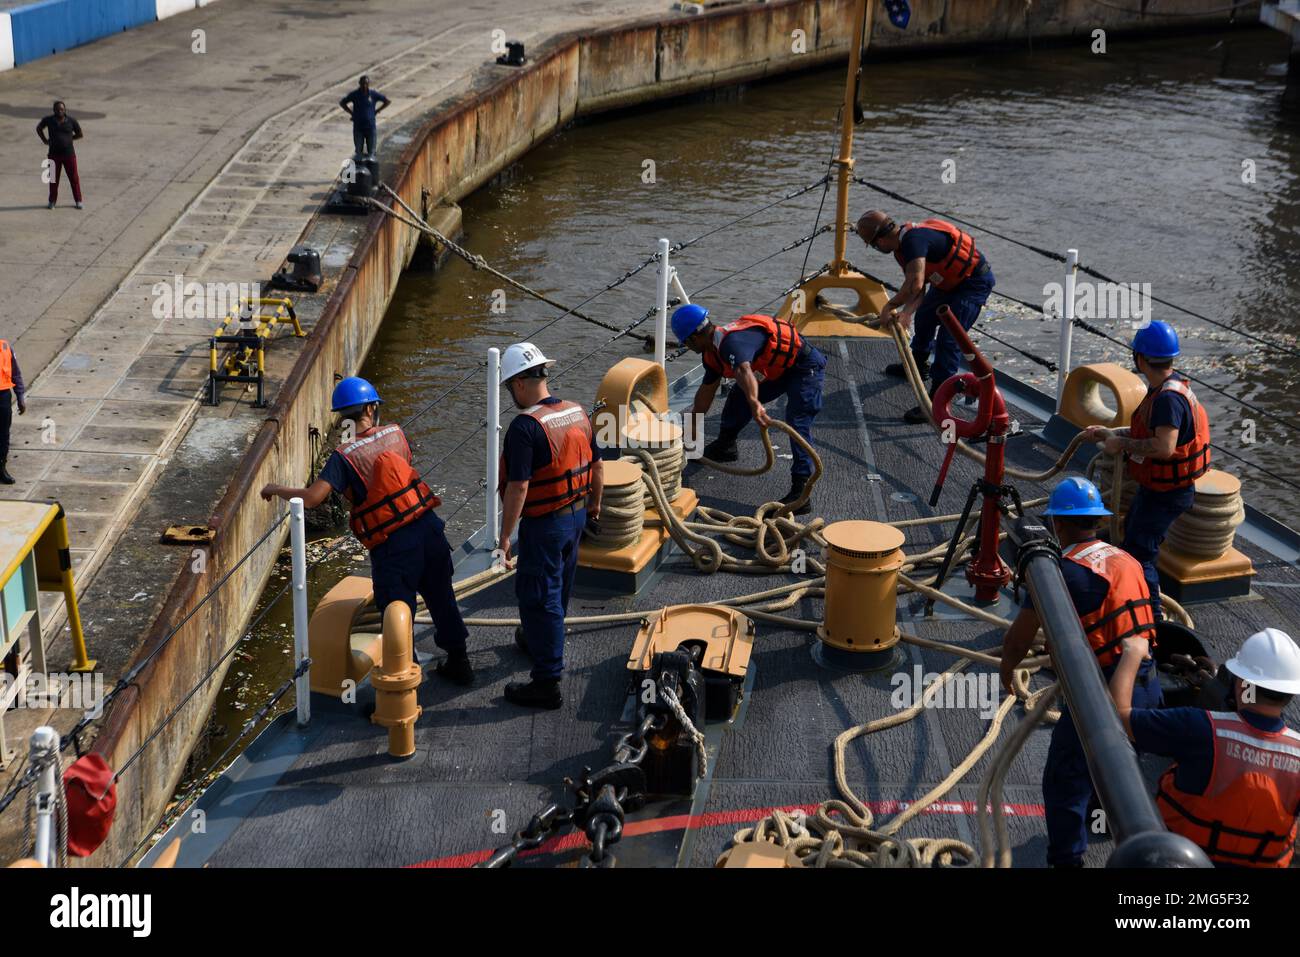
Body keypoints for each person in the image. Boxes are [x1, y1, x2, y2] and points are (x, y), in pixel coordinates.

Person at [260, 376, 471, 685]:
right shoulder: (396, 434)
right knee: (442, 599)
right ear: (372, 408)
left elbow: (313, 499)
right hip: (429, 531)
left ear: (340, 417)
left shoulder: (343, 457)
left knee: (397, 614)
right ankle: (459, 662)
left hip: (392, 546)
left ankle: (403, 685)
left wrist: (276, 488)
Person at [1000, 477, 1161, 867]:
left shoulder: (1063, 575)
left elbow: (1020, 639)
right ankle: (1103, 821)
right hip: (1147, 683)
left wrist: (1007, 673)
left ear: (1057, 524)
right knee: (1122, 772)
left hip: (1099, 695)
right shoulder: (1128, 560)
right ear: (1096, 522)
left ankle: (1066, 860)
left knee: (1065, 779)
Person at [1111, 627, 1300, 868]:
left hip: (1179, 862)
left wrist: (1132, 654)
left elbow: (1118, 718)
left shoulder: (1200, 728)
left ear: (1242, 684)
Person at [497, 342, 603, 709]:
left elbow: (519, 486)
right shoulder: (577, 411)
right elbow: (598, 468)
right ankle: (537, 641)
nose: (512, 394)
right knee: (559, 588)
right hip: (574, 516)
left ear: (521, 384)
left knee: (539, 596)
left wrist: (505, 535)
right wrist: (594, 509)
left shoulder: (525, 427)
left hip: (544, 525)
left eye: (510, 387)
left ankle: (547, 682)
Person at [1083, 320, 1210, 620]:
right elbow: (1152, 432)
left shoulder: (1167, 399)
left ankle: (1151, 619)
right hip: (1159, 489)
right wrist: (1111, 433)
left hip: (1167, 493)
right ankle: (1136, 605)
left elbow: (1164, 447)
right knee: (1132, 542)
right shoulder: (1167, 388)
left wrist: (1121, 445)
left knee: (1140, 553)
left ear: (1139, 358)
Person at [672, 303, 826, 515]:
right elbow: (706, 392)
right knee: (737, 397)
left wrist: (755, 403)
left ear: (693, 338)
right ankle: (726, 447)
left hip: (804, 367)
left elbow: (744, 371)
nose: (687, 347)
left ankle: (801, 493)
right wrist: (693, 424)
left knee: (798, 421)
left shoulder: (731, 343)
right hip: (778, 370)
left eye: (686, 344)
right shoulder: (711, 354)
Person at [856, 210, 996, 423]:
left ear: (880, 240)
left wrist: (891, 306)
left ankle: (938, 401)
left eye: (874, 246)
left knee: (949, 341)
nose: (877, 249)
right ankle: (918, 366)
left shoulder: (913, 241)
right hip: (947, 282)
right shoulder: (902, 248)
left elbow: (915, 284)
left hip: (971, 284)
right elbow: (918, 287)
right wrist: (907, 314)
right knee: (924, 318)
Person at [36, 101, 84, 210]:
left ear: (65, 110)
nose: (59, 111)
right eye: (57, 109)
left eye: (62, 109)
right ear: (54, 110)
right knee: (53, 179)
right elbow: (38, 128)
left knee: (74, 178)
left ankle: (78, 201)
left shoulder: (72, 121)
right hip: (53, 155)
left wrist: (70, 139)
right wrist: (44, 140)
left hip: (69, 155)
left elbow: (80, 134)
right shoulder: (48, 120)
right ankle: (52, 201)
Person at [339, 76, 390, 159]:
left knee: (372, 153)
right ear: (359, 84)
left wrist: (377, 110)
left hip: (370, 127)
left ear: (368, 84)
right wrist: (351, 113)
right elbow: (342, 103)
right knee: (358, 153)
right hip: (358, 128)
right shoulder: (355, 94)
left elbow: (387, 101)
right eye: (363, 84)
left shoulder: (373, 94)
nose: (364, 86)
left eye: (366, 84)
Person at [0, 338, 28, 484]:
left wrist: (20, 396)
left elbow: (15, 373)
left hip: (3, 396)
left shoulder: (5, 347)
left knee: (3, 435)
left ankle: (1, 468)